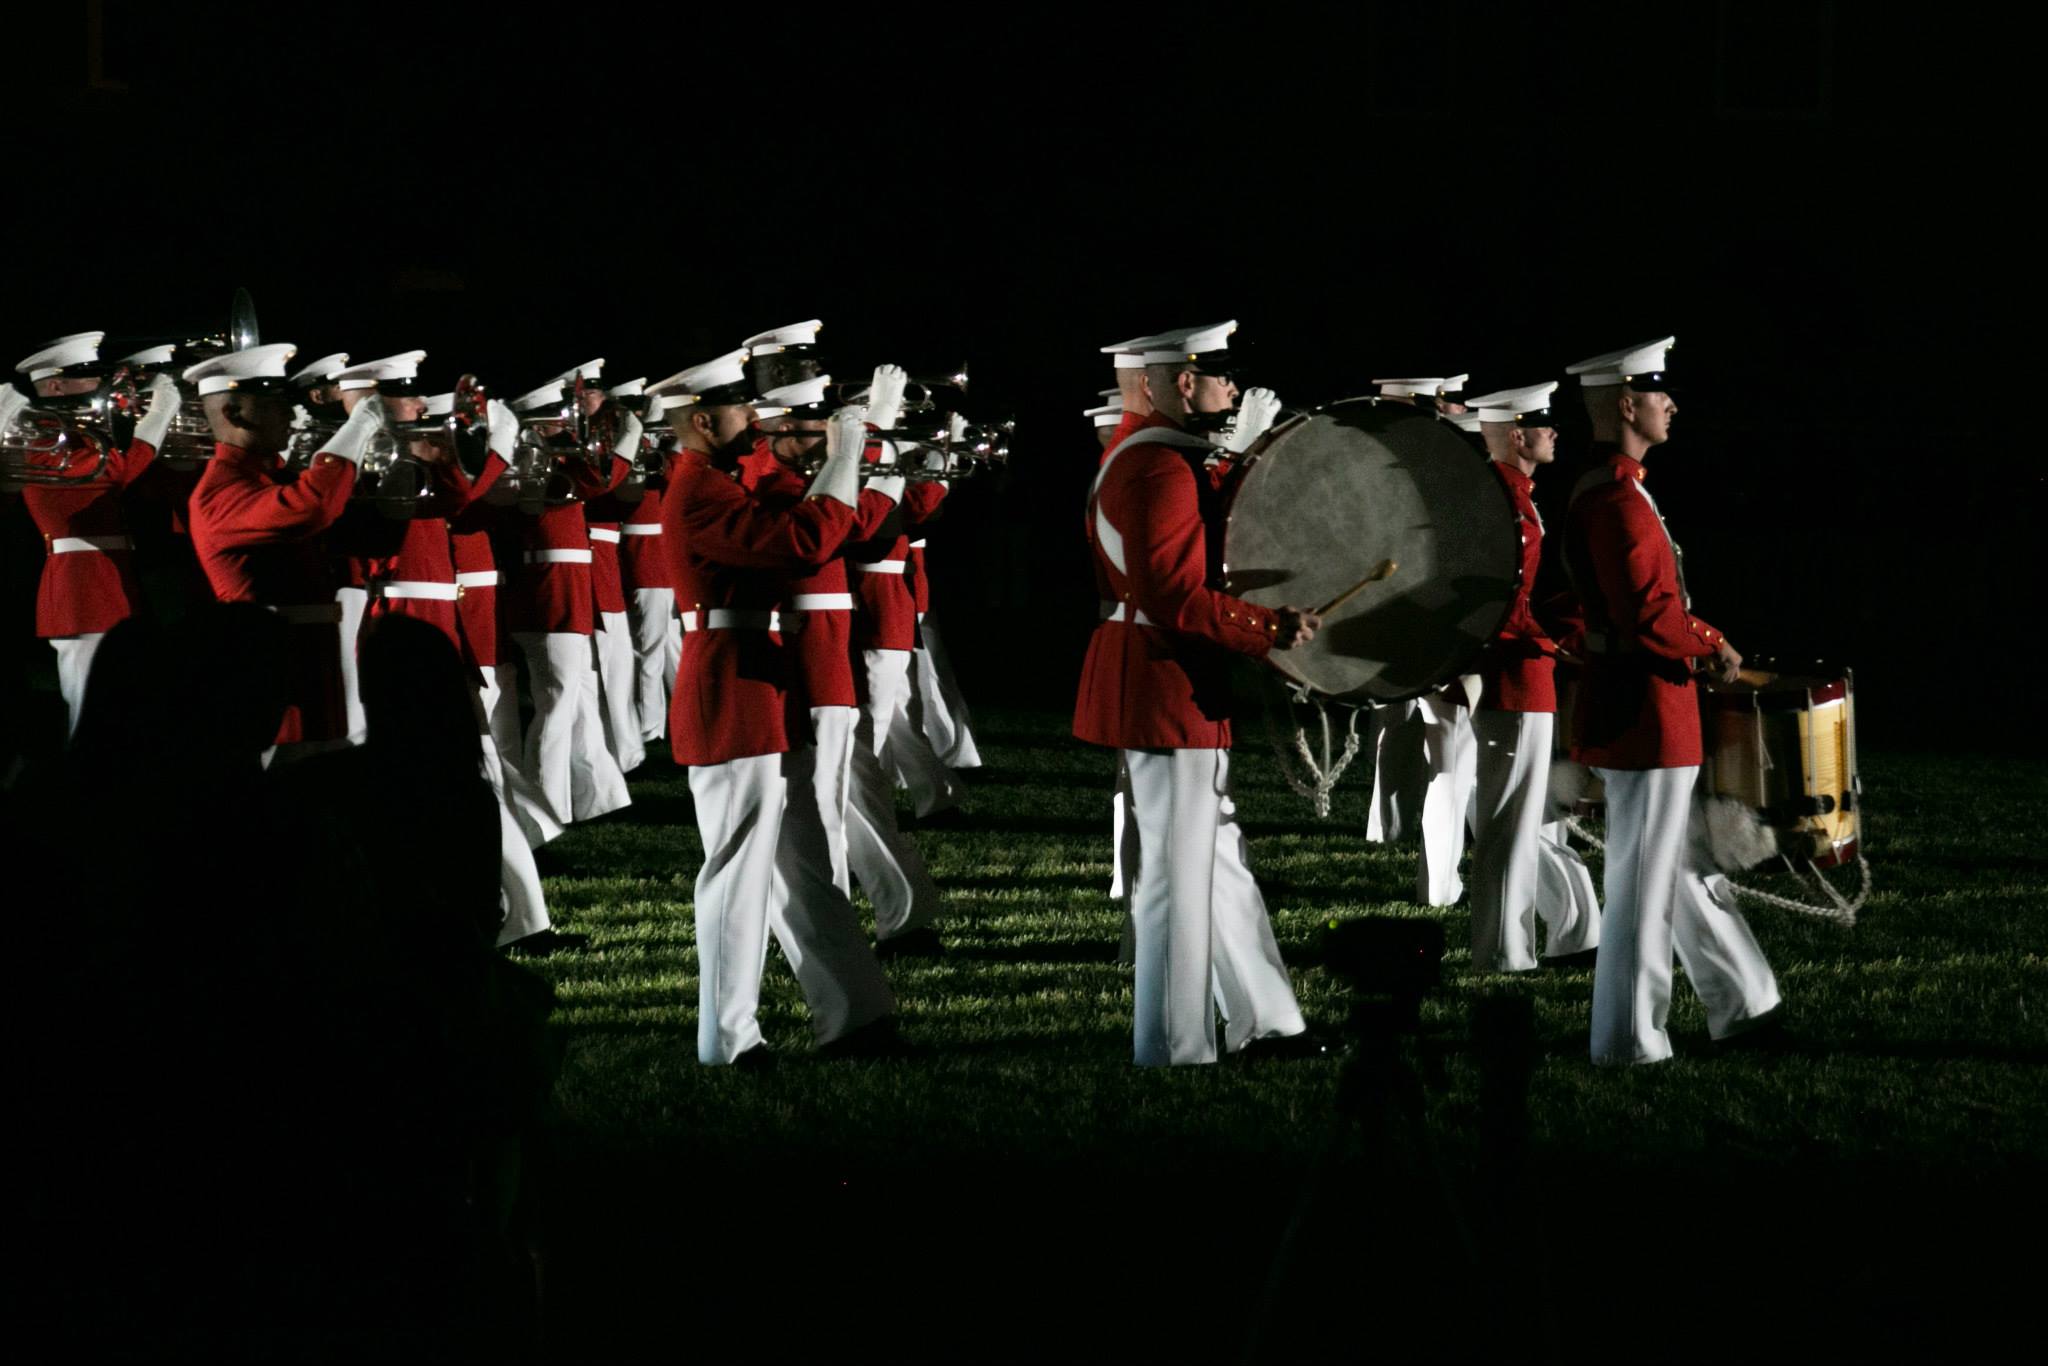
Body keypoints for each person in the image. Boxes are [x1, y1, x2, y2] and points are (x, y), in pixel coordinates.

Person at [1076, 321, 1319, 1066]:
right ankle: (1173, 1045)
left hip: (1166, 677)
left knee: (1214, 863)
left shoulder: (1156, 456)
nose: (1232, 388)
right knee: (1177, 878)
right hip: (1164, 680)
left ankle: (1267, 1021)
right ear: (1185, 382)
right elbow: (1174, 592)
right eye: (1222, 376)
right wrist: (1267, 626)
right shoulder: (1158, 466)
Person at [658, 349, 898, 1065]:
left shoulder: (720, 481)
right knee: (738, 873)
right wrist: (849, 451)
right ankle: (727, 1039)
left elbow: (836, 527)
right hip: (731, 688)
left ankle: (854, 1016)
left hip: (762, 685)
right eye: (740, 408)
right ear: (704, 421)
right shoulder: (699, 490)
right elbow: (805, 540)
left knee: (803, 865)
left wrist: (861, 453)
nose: (755, 417)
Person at [1561, 337, 1780, 1064]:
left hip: (1645, 706)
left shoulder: (1614, 490)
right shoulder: (1617, 501)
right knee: (1642, 888)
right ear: (1628, 405)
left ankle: (1743, 1003)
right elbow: (1650, 617)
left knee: (1674, 868)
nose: (1672, 405)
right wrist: (1712, 641)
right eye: (1660, 394)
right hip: (1646, 711)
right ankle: (1628, 1039)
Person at [740, 365, 945, 956]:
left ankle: (899, 915)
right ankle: (848, 929)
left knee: (854, 791)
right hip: (805, 653)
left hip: (829, 649)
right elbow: (858, 522)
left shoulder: (793, 473)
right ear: (780, 428)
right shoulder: (769, 479)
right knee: (825, 802)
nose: (826, 436)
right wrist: (876, 432)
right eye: (815, 426)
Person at [1460, 382, 1600, 971]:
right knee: (1510, 821)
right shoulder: (1502, 502)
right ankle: (1502, 952)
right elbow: (1497, 607)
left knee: (1527, 818)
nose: (1554, 432)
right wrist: (1555, 642)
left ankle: (1560, 937)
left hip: (1523, 673)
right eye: (1543, 423)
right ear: (1517, 435)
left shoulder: (1513, 495)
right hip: (1514, 677)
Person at [186, 341, 377, 761]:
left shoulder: (270, 477)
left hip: (310, 656)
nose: (291, 416)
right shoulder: (218, 492)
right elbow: (312, 507)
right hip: (267, 666)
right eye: (275, 405)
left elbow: (362, 535)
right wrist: (360, 425)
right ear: (234, 413)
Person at [8, 330, 182, 734]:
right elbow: (112, 472)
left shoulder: (82, 437)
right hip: (80, 593)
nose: (100, 386)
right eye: (88, 377)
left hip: (108, 588)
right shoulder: (35, 441)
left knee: (124, 717)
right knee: (87, 717)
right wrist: (158, 414)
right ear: (56, 386)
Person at [501, 374, 635, 825]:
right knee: (557, 702)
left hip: (566, 588)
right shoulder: (535, 462)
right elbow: (600, 480)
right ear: (541, 426)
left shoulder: (553, 458)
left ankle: (596, 795)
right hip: (549, 591)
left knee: (578, 695)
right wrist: (627, 434)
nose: (568, 426)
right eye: (559, 421)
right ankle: (544, 807)